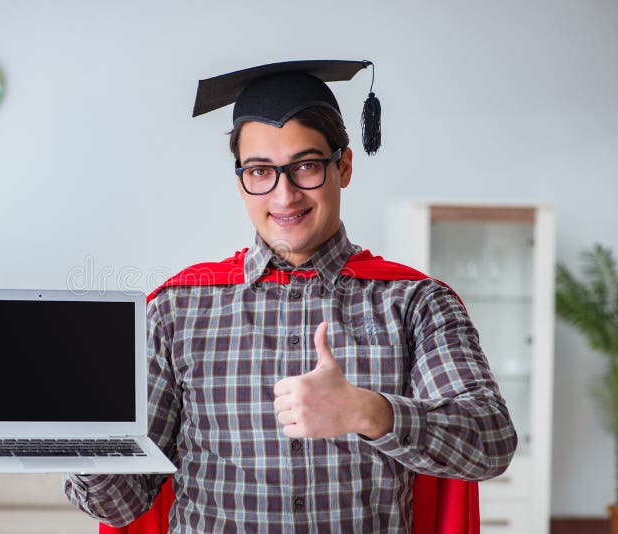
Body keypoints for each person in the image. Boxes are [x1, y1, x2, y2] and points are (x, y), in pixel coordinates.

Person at [65, 60, 517, 533]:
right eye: (261, 171)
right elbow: (119, 505)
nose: (284, 196)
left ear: (342, 166)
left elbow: (491, 441)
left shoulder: (416, 304)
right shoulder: (176, 311)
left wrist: (366, 410)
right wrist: (85, 422)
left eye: (305, 166)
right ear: (241, 179)